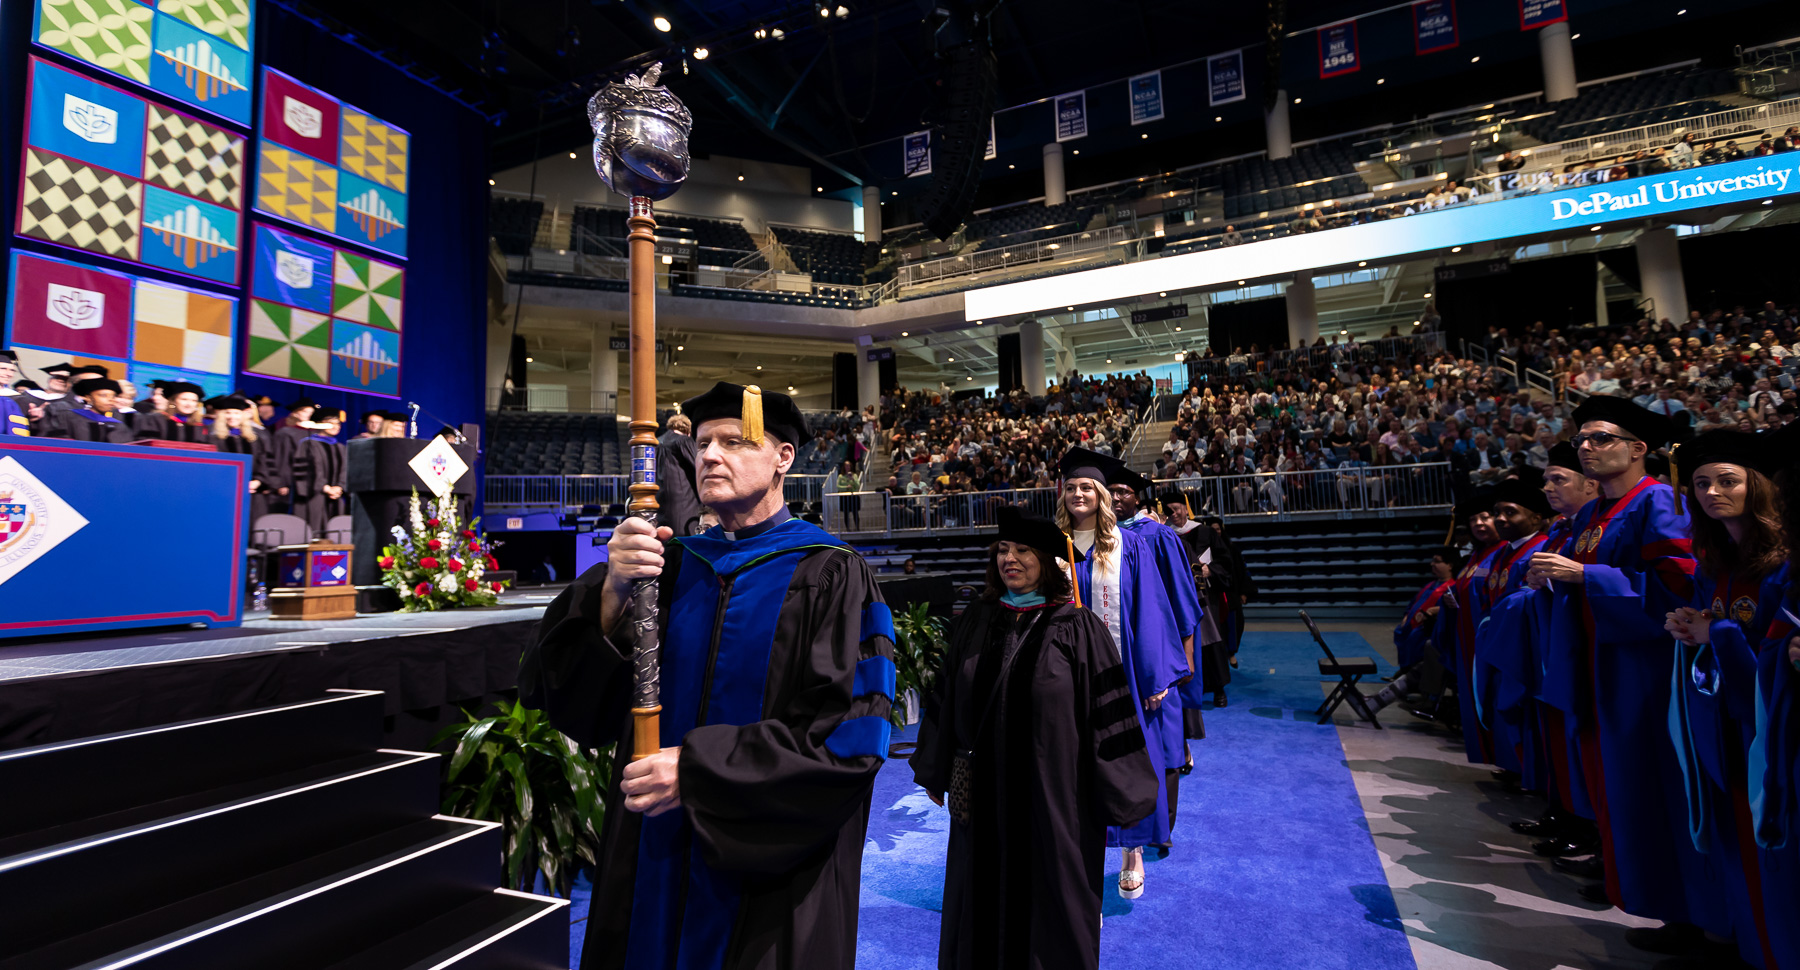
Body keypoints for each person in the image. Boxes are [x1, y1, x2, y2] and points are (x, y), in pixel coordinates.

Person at [519, 381, 893, 970]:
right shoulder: (669, 569)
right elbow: (570, 694)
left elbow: (851, 738)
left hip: (764, 872)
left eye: (734, 441)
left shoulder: (832, 575)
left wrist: (699, 772)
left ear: (783, 458)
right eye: (702, 443)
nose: (711, 455)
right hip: (652, 855)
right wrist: (613, 588)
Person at [912, 507, 1157, 970]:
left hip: (1055, 799)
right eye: (1003, 549)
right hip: (981, 797)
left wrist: (1117, 793)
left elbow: (1109, 716)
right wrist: (937, 766)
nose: (1010, 558)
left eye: (1023, 549)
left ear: (1048, 560)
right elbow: (946, 695)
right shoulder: (976, 621)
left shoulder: (1078, 629)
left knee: (1054, 895)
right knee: (976, 895)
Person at [1525, 396, 1721, 937]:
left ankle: (1691, 914)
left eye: (1601, 438)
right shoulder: (1590, 513)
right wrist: (1550, 579)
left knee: (1658, 785)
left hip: (1647, 671)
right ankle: (1639, 883)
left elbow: (1679, 591)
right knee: (1618, 784)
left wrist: (1586, 578)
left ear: (1638, 449)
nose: (1586, 447)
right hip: (1598, 663)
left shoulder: (1661, 501)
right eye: (1582, 439)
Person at [1664, 428, 1795, 969]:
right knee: (1734, 841)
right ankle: (1747, 945)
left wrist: (1712, 633)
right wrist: (1690, 627)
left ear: (1758, 486)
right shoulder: (1717, 561)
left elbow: (1776, 655)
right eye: (1700, 484)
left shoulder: (1781, 564)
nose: (1712, 492)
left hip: (1765, 732)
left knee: (1769, 848)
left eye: (1728, 481)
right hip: (1725, 727)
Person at [1056, 449, 1188, 899]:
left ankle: (1132, 850)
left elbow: (1151, 608)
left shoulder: (1129, 546)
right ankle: (1081, 854)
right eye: (1071, 487)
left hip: (1125, 669)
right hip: (1067, 676)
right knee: (1073, 762)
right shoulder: (1053, 547)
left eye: (1087, 487)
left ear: (1102, 495)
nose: (1078, 494)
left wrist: (1155, 677)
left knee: (1131, 756)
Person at [209, 395, 283, 522]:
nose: (232, 417)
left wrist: (258, 481)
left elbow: (263, 462)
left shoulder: (253, 438)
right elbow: (213, 468)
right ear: (221, 415)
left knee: (252, 526)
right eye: (228, 413)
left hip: (252, 492)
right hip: (225, 491)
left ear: (243, 415)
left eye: (236, 413)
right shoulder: (213, 438)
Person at [291, 409, 347, 533]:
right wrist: (325, 488)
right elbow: (305, 471)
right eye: (330, 423)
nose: (335, 426)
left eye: (338, 423)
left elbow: (345, 470)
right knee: (315, 530)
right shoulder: (307, 444)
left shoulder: (341, 447)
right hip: (315, 496)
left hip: (336, 497)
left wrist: (340, 487)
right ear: (319, 424)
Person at [40, 378, 133, 443]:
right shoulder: (68, 417)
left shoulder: (118, 425)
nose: (110, 400)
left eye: (113, 396)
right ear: (88, 398)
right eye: (103, 395)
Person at [658, 413, 703, 537]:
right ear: (688, 430)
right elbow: (700, 466)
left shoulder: (655, 442)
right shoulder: (684, 441)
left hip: (659, 504)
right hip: (684, 503)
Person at [133, 381, 208, 442]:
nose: (188, 404)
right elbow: (146, 445)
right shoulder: (155, 419)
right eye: (184, 399)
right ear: (173, 402)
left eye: (193, 401)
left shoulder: (198, 426)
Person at [0, 351, 30, 437]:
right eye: (3, 369)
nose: (9, 374)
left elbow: (18, 433)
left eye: (12, 370)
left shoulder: (17, 399)